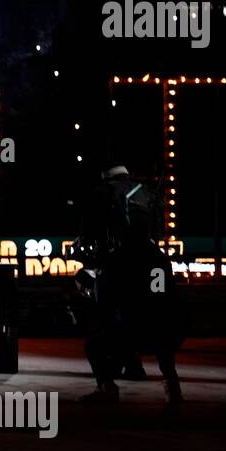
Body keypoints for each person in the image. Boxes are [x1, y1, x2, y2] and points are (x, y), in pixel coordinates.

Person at [76, 163, 184, 406]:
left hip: (118, 263)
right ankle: (172, 386)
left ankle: (107, 387)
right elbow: (158, 229)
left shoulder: (102, 193)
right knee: (159, 325)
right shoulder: (146, 192)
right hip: (154, 260)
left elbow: (87, 233)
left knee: (101, 327)